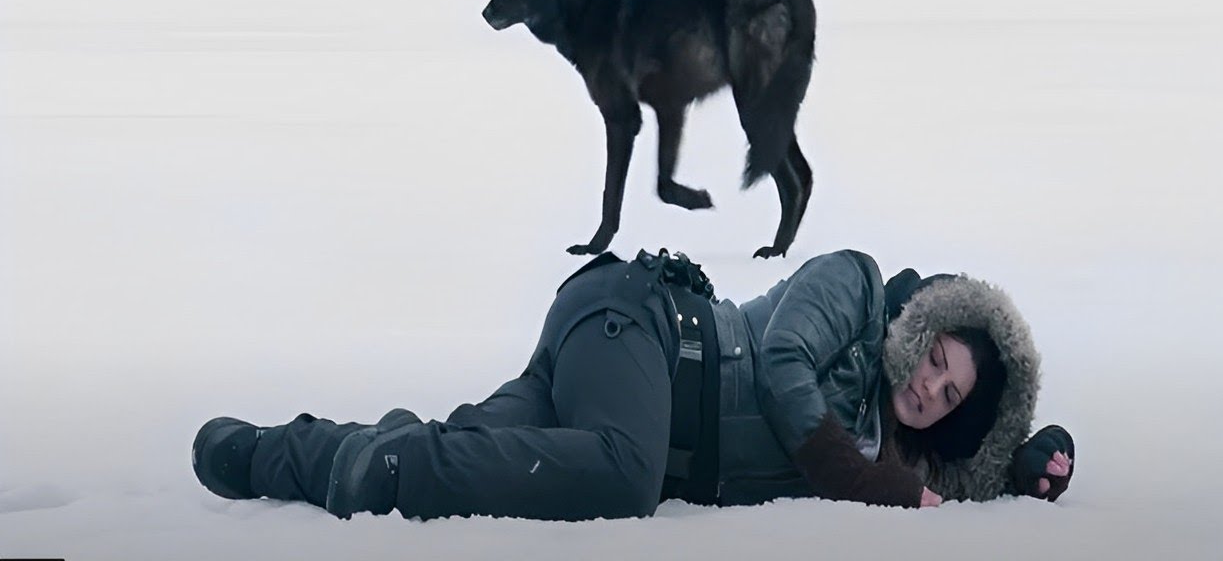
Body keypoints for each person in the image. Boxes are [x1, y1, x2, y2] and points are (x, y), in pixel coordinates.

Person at [192, 249, 1075, 520]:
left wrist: (1022, 457)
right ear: (924, 326)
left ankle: (289, 455)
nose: (929, 387)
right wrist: (867, 480)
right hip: (643, 330)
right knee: (619, 476)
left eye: (951, 397)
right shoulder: (854, 286)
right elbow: (781, 366)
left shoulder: (890, 440)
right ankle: (383, 469)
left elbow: (954, 484)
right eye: (936, 361)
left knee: (463, 457)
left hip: (605, 391)